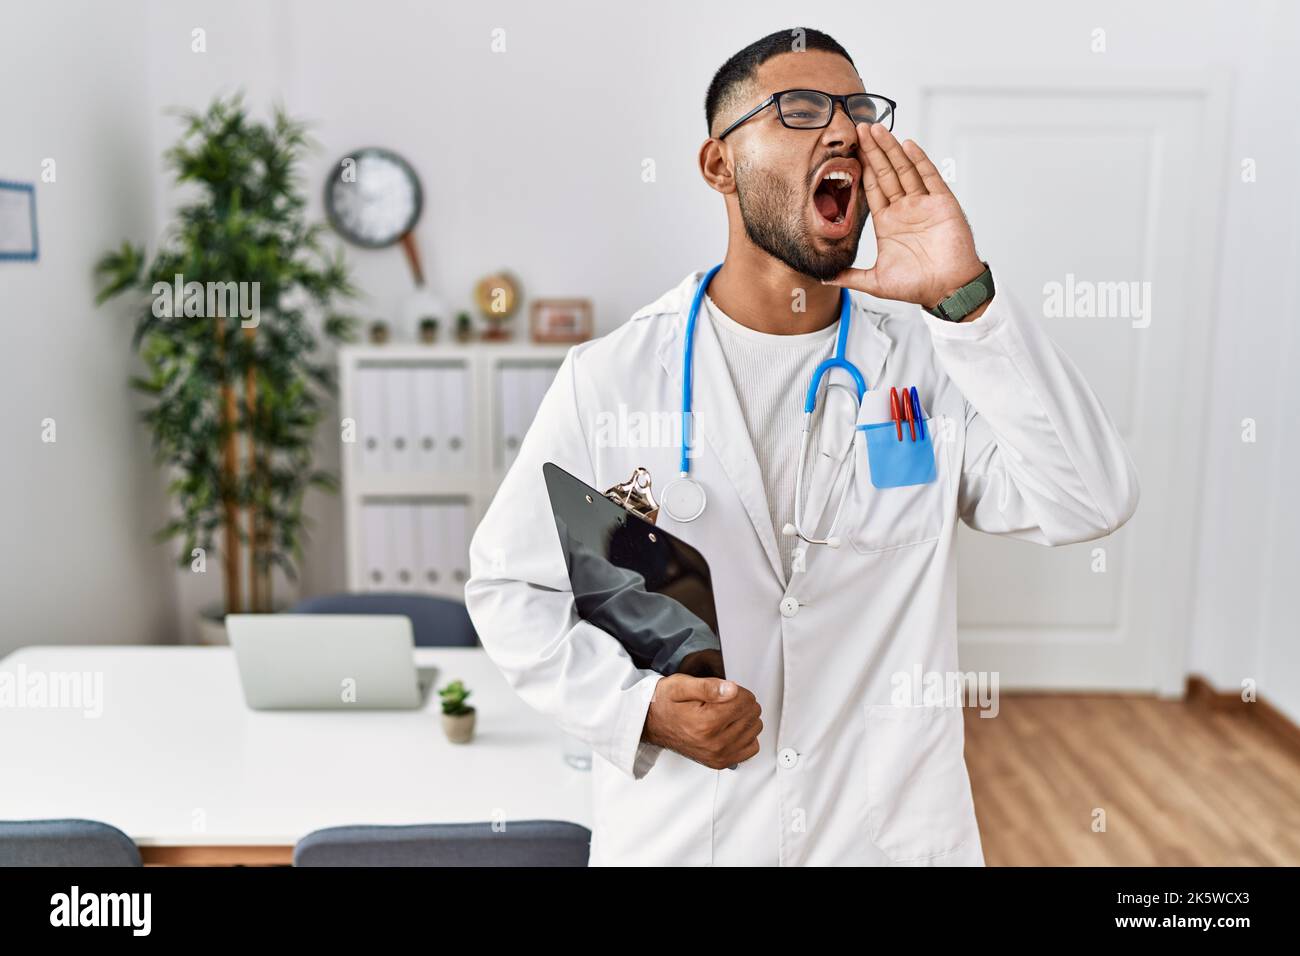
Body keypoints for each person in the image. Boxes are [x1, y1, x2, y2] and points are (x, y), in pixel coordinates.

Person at [465, 27, 1139, 865]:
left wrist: (967, 300)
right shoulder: (611, 376)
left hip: (889, 841)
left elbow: (1090, 499)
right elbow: (508, 587)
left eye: (859, 111)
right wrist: (637, 711)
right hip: (693, 837)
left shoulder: (931, 361)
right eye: (801, 109)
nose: (845, 132)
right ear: (720, 166)